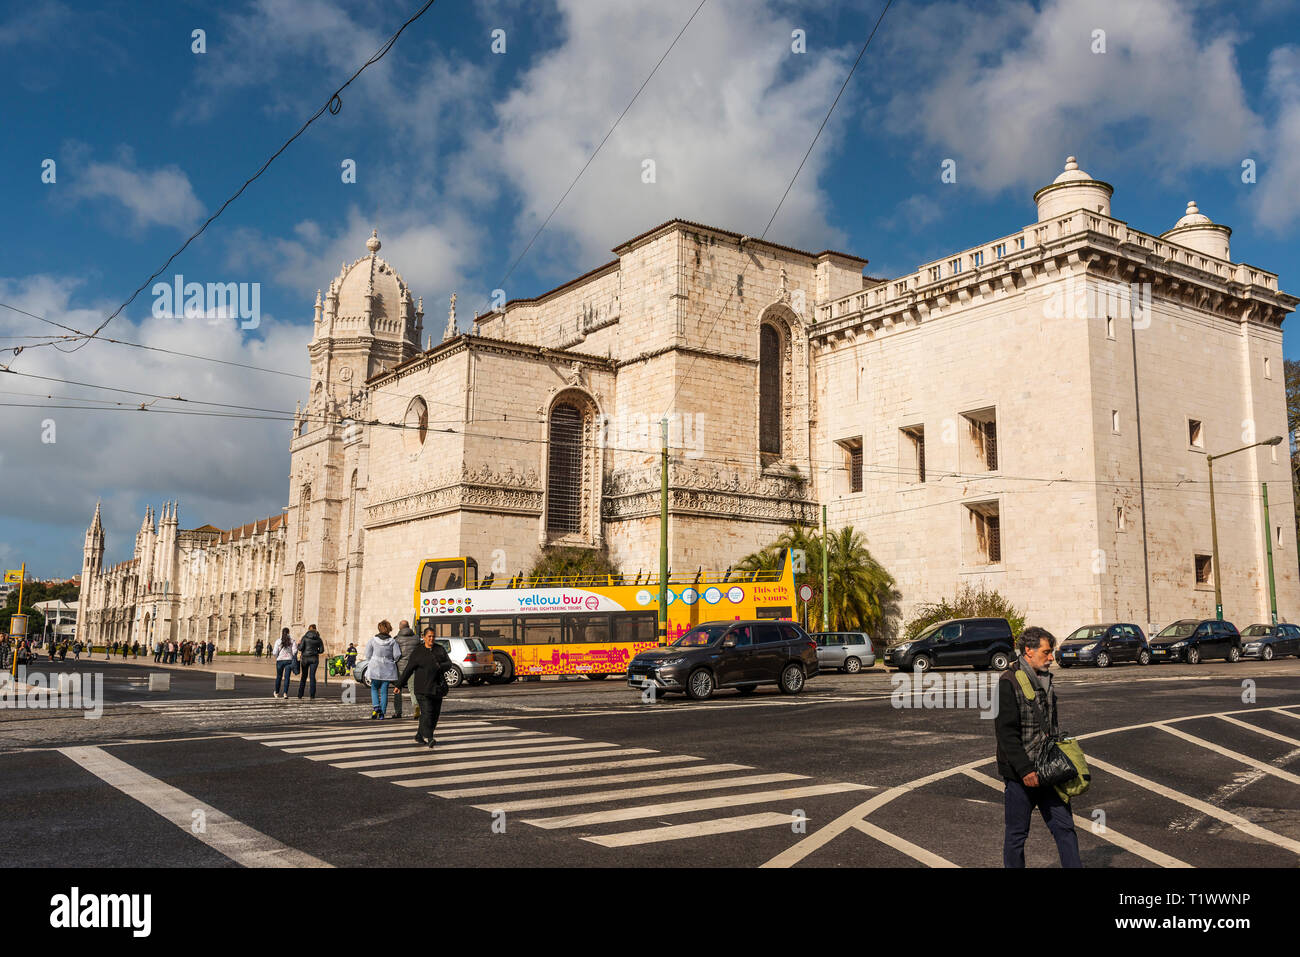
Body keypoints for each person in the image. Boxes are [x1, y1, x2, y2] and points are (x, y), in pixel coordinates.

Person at [996, 626, 1082, 869]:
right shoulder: (1008, 682)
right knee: (1016, 836)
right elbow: (1005, 734)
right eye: (1046, 652)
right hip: (1020, 776)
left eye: (1051, 652)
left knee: (1065, 829)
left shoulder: (1046, 681)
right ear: (1028, 651)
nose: (1051, 657)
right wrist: (1025, 770)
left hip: (1049, 771)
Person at [396, 626, 454, 747]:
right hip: (422, 689)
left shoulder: (440, 649)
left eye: (433, 636)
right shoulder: (418, 652)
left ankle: (419, 735)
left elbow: (449, 664)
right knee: (428, 712)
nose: (431, 639)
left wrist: (440, 666)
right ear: (424, 637)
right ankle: (430, 737)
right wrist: (399, 685)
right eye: (429, 636)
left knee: (435, 714)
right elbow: (408, 669)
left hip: (437, 688)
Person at [363, 621, 402, 719]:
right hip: (388, 668)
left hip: (375, 666)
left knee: (374, 688)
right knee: (384, 691)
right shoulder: (392, 641)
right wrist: (392, 660)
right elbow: (397, 655)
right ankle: (382, 713)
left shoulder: (373, 640)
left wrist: (371, 660)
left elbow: (367, 653)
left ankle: (376, 706)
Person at [388, 620, 420, 720]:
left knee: (397, 689)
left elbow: (394, 654)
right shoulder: (416, 638)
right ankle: (416, 707)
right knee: (413, 689)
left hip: (399, 668)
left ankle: (398, 712)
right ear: (409, 627)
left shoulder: (396, 639)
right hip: (412, 667)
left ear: (400, 628)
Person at [297, 623, 326, 700]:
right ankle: (312, 695)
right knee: (312, 677)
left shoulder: (304, 637)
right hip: (314, 659)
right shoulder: (319, 639)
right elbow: (322, 650)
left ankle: (300, 694)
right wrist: (316, 652)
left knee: (303, 676)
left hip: (305, 659)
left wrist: (298, 644)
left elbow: (300, 648)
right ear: (315, 629)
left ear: (309, 629)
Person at [272, 628, 297, 699]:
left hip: (280, 660)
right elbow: (295, 651)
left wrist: (277, 657)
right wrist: (291, 655)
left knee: (279, 677)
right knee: (287, 678)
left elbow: (274, 652)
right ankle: (285, 693)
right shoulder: (292, 641)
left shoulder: (278, 641)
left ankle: (276, 692)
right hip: (289, 660)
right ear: (289, 632)